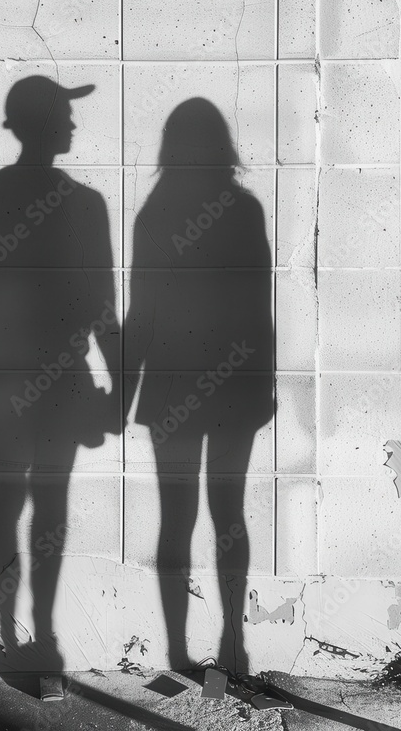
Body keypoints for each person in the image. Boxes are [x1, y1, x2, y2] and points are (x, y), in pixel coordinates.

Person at [0, 75, 121, 673]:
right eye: (66, 117)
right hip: (57, 378)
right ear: (42, 125)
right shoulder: (85, 203)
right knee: (48, 504)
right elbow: (103, 307)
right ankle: (40, 639)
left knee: (7, 504)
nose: (74, 126)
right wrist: (120, 386)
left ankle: (14, 633)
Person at [125, 98, 274, 674]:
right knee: (228, 513)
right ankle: (233, 643)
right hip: (235, 386)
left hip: (170, 387)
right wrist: (260, 390)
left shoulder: (154, 216)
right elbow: (258, 307)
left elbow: (142, 313)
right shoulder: (244, 210)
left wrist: (123, 393)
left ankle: (180, 653)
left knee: (177, 515)